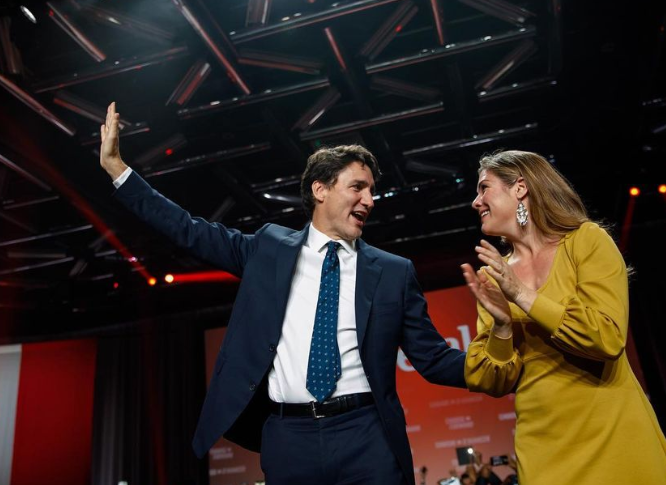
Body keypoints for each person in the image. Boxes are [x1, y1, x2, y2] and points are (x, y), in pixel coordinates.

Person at [99, 103, 465, 485]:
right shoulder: (268, 249)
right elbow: (187, 229)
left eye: (372, 191)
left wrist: (510, 360)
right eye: (358, 187)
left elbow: (434, 358)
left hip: (366, 435)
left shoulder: (393, 271)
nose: (370, 200)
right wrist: (117, 170)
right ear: (319, 189)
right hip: (289, 438)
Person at [459, 150, 666, 485]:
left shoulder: (586, 241)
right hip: (544, 444)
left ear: (520, 187)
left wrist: (522, 295)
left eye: (484, 188)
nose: (475, 202)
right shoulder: (492, 277)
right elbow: (488, 380)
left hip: (614, 431)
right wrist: (503, 327)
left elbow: (606, 339)